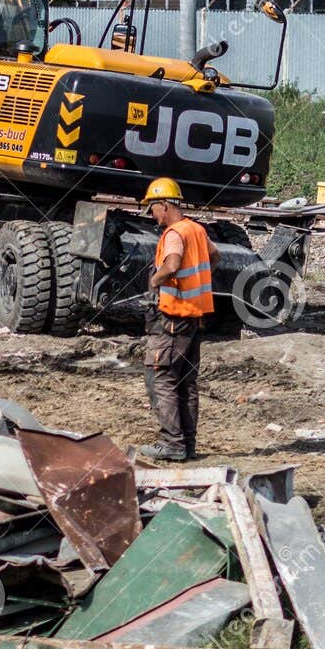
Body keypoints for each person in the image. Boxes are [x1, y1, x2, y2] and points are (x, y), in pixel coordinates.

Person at [140, 177, 213, 462]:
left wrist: (154, 281)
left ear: (164, 205)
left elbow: (171, 265)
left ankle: (171, 443)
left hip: (172, 317)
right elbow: (215, 256)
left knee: (161, 377)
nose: (152, 215)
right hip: (195, 317)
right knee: (186, 382)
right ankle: (188, 445)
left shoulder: (174, 233)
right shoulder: (197, 229)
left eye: (153, 208)